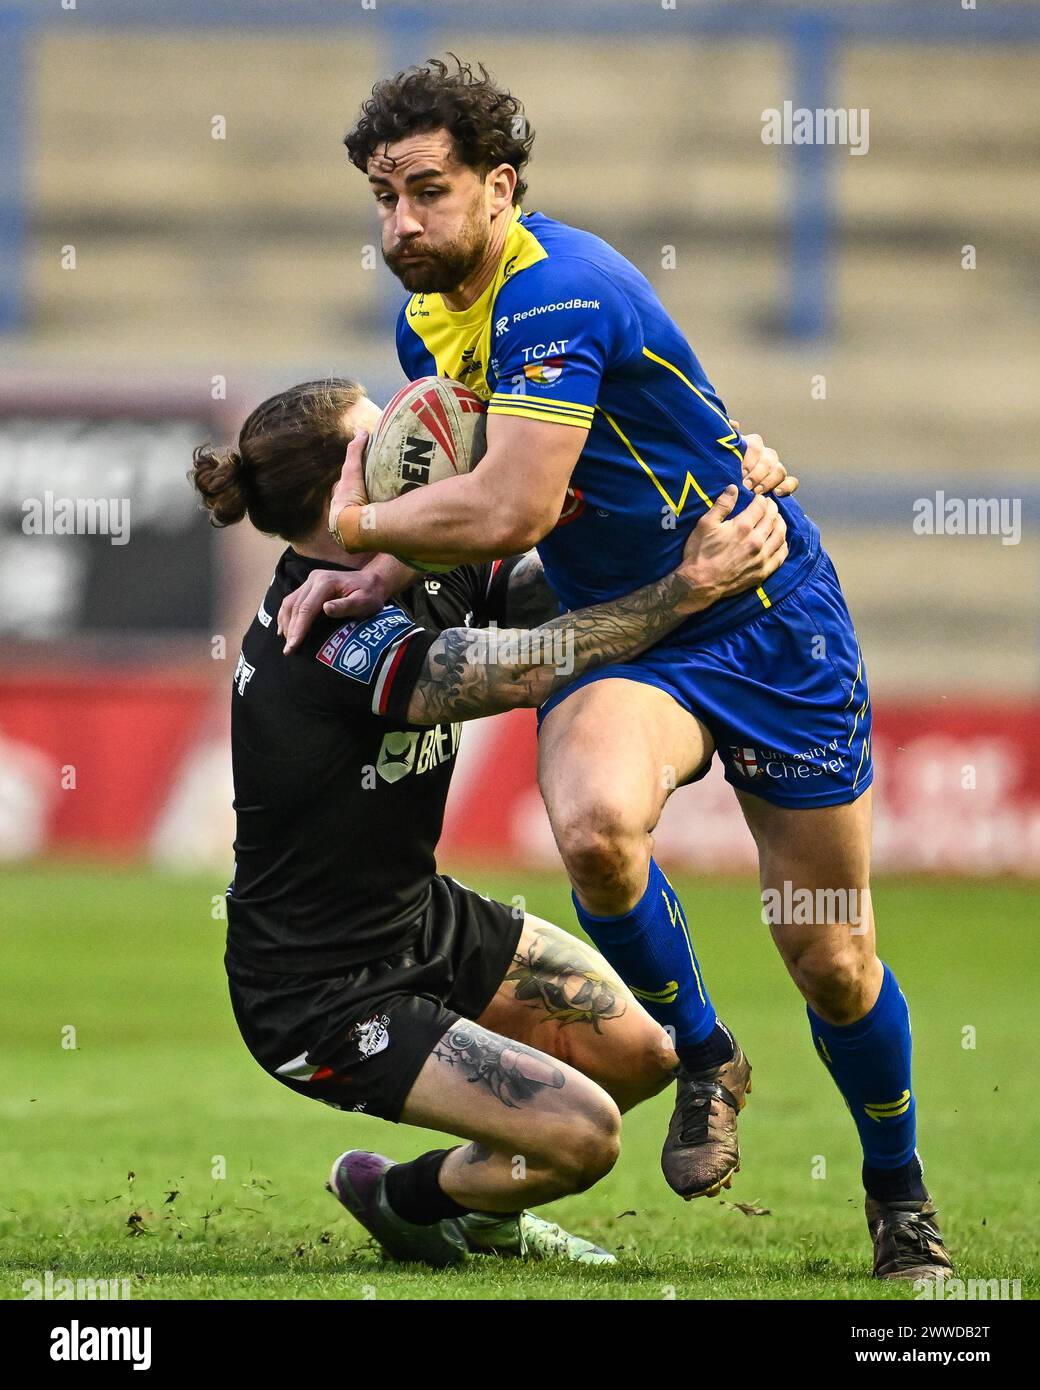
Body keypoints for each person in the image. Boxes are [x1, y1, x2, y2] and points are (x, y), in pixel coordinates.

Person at [285, 57, 951, 1280]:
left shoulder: (556, 291)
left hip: (763, 617)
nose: (400, 225)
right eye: (382, 198)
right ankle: (705, 1057)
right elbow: (477, 492)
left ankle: (896, 1192)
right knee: (593, 823)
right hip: (635, 623)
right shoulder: (425, 317)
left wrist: (363, 530)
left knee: (831, 956)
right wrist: (379, 576)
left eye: (426, 192)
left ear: (500, 186)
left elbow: (505, 508)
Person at [190, 376, 788, 1267]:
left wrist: (711, 501)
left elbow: (557, 586)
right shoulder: (322, 633)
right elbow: (521, 669)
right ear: (352, 474)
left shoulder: (416, 557)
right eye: (379, 430)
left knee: (645, 1059)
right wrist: (686, 592)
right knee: (583, 1137)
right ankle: (396, 1194)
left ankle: (486, 1213)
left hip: (417, 917)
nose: (409, 431)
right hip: (317, 990)